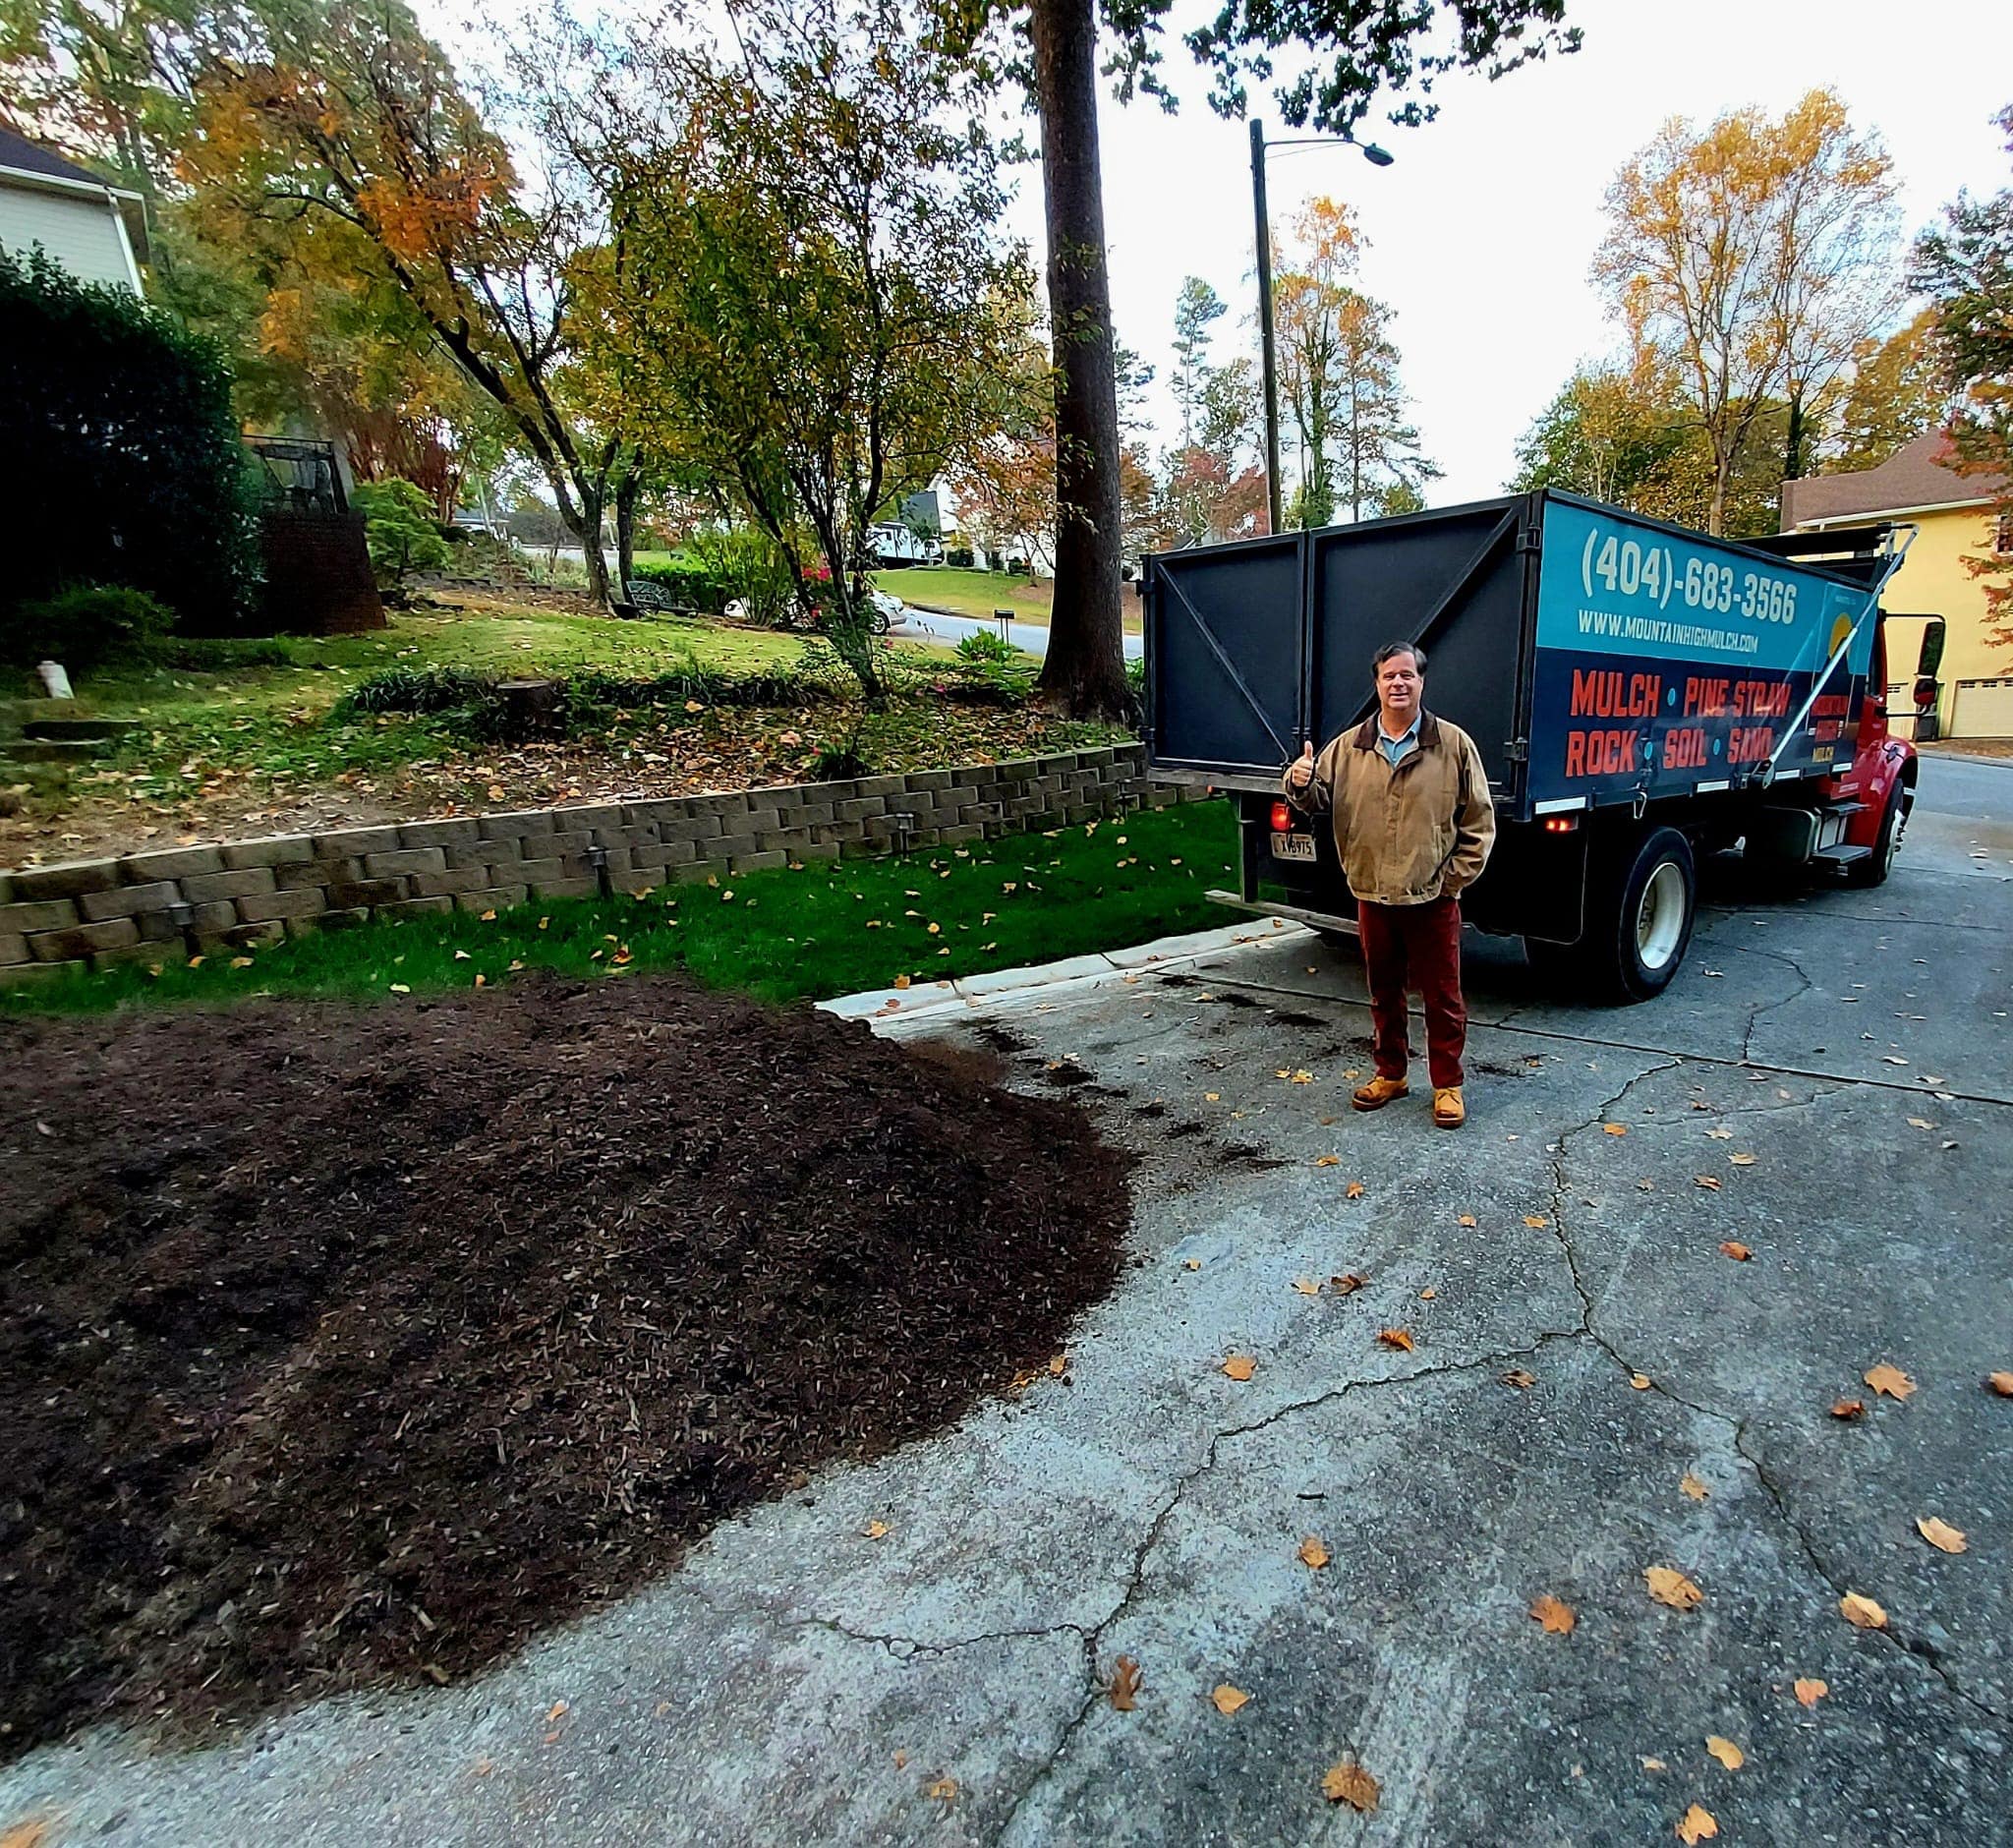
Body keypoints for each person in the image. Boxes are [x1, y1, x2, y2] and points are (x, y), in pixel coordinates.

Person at [1282, 641, 1496, 1128]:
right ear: (1377, 684)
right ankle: (1391, 1074)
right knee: (1384, 992)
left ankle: (1448, 1086)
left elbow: (1480, 822)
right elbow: (1316, 800)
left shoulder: (1453, 745)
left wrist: (1451, 880)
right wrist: (1297, 782)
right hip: (1372, 893)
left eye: (1408, 675)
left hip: (1432, 898)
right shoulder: (1349, 747)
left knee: (1443, 996)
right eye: (1389, 676)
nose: (1398, 683)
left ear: (1422, 682)